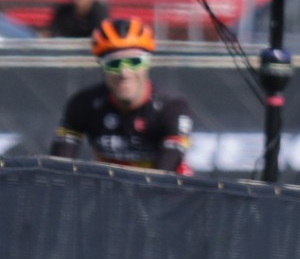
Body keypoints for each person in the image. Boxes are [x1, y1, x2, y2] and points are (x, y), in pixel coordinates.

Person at [49, 18, 192, 172]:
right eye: (114, 64)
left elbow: (165, 173)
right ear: (101, 66)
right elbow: (59, 166)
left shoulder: (172, 107)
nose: (124, 73)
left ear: (148, 64)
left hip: (166, 191)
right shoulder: (83, 103)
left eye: (134, 62)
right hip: (111, 190)